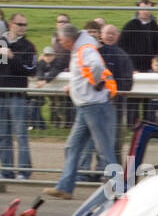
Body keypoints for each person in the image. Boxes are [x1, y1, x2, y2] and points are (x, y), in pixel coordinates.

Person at [42, 23, 117, 200]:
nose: (59, 43)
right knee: (72, 146)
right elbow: (85, 72)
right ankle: (65, 187)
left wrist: (95, 83)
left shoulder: (84, 49)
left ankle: (120, 189)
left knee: (104, 150)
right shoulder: (80, 48)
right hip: (86, 107)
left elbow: (97, 67)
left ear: (67, 40)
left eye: (60, 40)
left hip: (94, 106)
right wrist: (77, 86)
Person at [0, 12, 37, 179]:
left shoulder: (28, 46)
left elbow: (31, 71)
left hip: (17, 95)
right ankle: (6, 170)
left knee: (20, 134)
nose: (23, 28)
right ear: (11, 24)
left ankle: (24, 171)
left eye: (25, 25)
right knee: (2, 134)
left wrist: (13, 58)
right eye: (20, 24)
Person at [98, 24, 134, 160]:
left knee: (116, 139)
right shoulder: (96, 53)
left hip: (115, 104)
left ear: (118, 36)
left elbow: (128, 82)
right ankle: (99, 169)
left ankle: (115, 170)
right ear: (101, 35)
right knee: (98, 139)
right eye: (107, 33)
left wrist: (113, 92)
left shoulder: (122, 56)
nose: (110, 36)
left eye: (113, 33)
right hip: (97, 103)